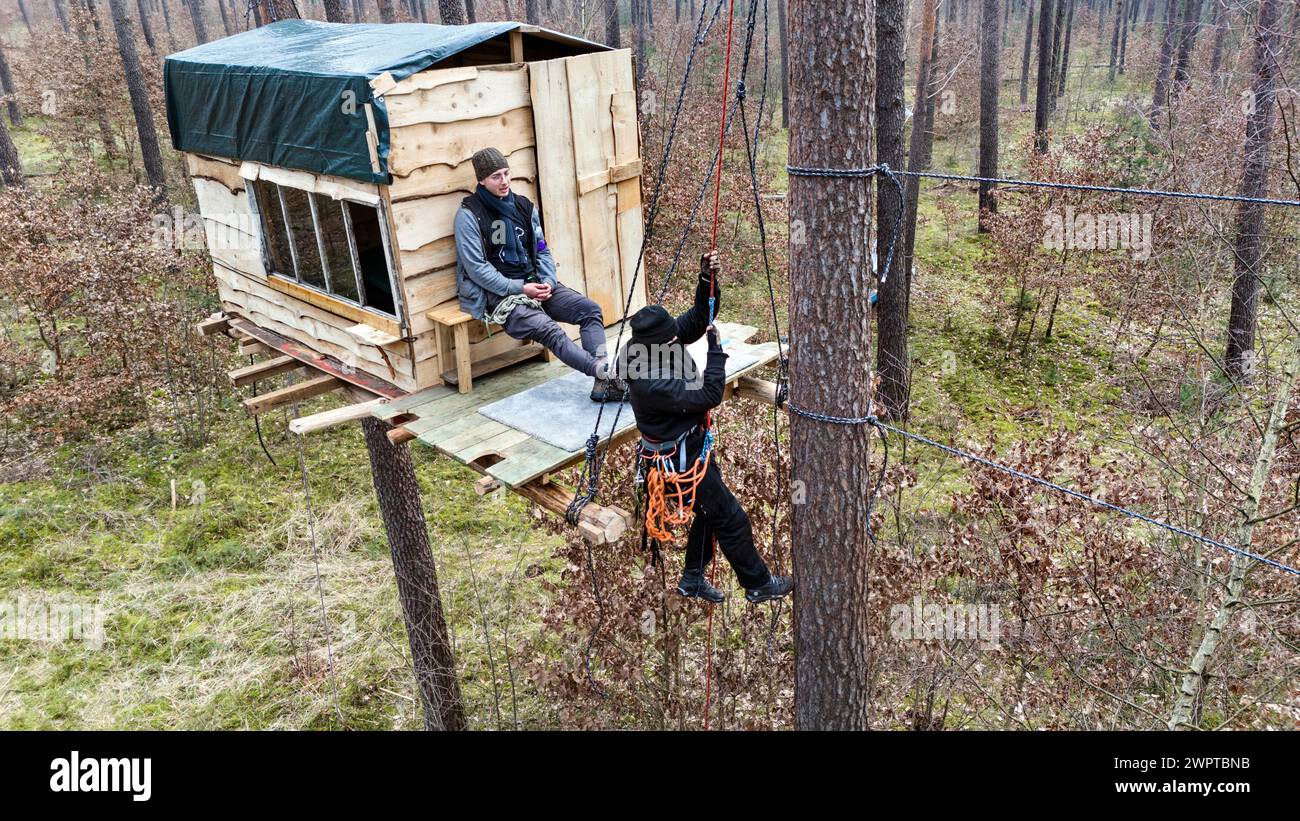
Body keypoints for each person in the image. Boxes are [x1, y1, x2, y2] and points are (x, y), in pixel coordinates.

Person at [618, 250, 793, 604]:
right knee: (730, 517)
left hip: (686, 451)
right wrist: (716, 350)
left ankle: (693, 577)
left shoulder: (650, 343)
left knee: (708, 513)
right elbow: (709, 394)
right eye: (671, 340)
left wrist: (705, 279)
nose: (676, 340)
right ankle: (757, 584)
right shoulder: (649, 379)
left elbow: (698, 318)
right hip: (678, 462)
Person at [453, 147, 627, 401]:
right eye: (496, 177)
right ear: (481, 180)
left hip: (536, 284)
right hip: (500, 296)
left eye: (506, 174)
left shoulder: (523, 207)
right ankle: (602, 372)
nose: (504, 182)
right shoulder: (469, 215)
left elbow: (542, 250)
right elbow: (476, 268)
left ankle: (603, 379)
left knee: (590, 310)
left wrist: (547, 281)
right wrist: (521, 289)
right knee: (550, 330)